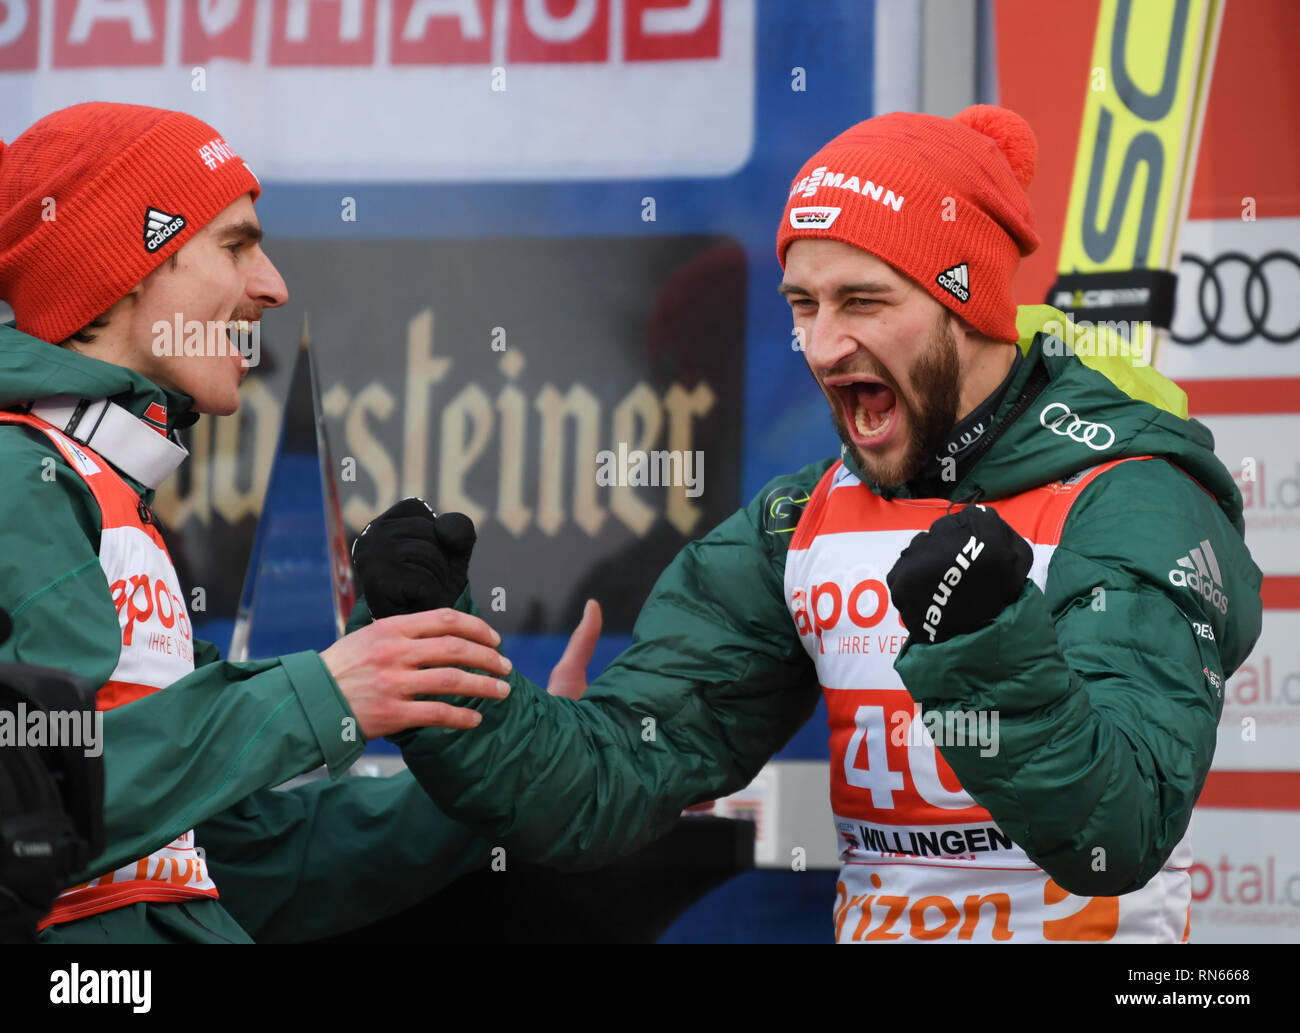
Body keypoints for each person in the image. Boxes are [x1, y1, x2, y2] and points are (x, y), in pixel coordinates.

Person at [362, 105, 1264, 943]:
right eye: (804, 304)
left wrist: (985, 639)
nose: (824, 346)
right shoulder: (803, 519)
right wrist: (434, 657)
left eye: (863, 301)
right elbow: (610, 776)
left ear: (968, 303)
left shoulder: (1131, 494)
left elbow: (1121, 826)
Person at [0, 101, 597, 943]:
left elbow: (254, 854)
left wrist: (527, 773)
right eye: (235, 245)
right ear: (129, 273)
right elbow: (31, 796)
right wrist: (330, 689)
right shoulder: (18, 481)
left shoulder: (102, 490)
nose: (273, 285)